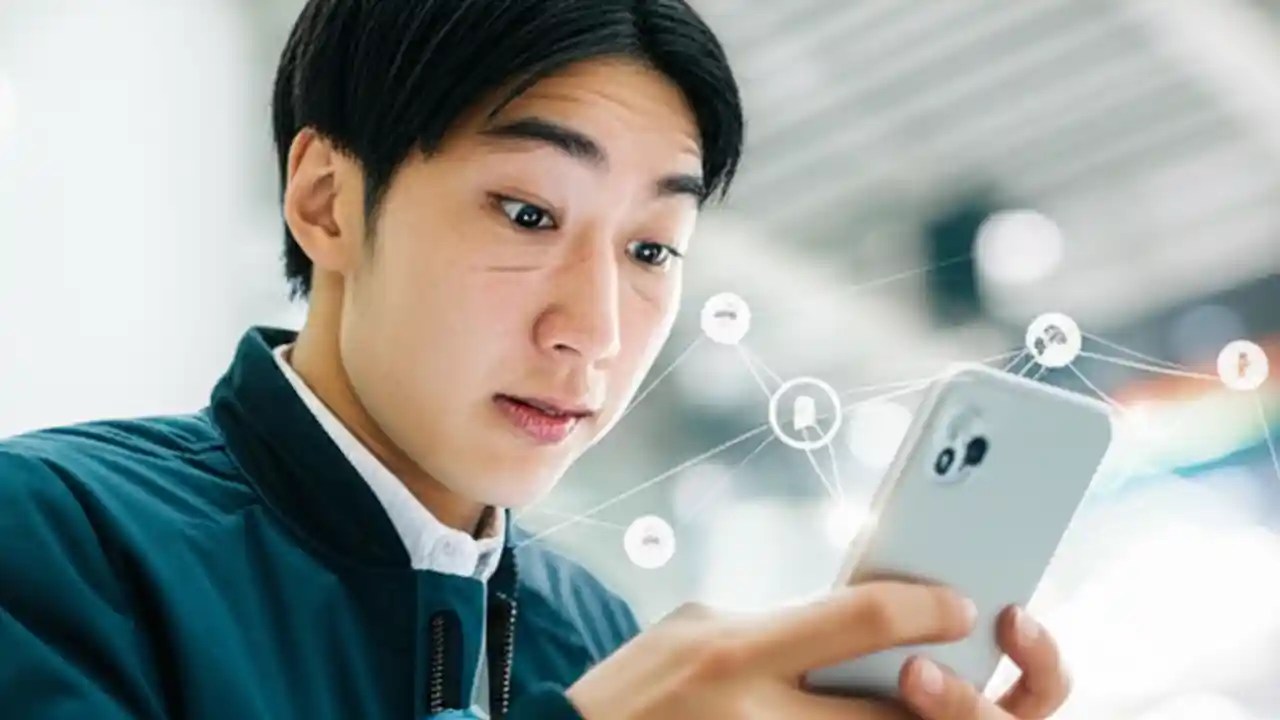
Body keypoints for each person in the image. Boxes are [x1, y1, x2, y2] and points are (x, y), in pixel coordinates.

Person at [0, 1, 1072, 718]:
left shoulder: (593, 632)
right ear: (326, 199)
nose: (596, 328)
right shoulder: (55, 540)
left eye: (651, 248)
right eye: (525, 212)